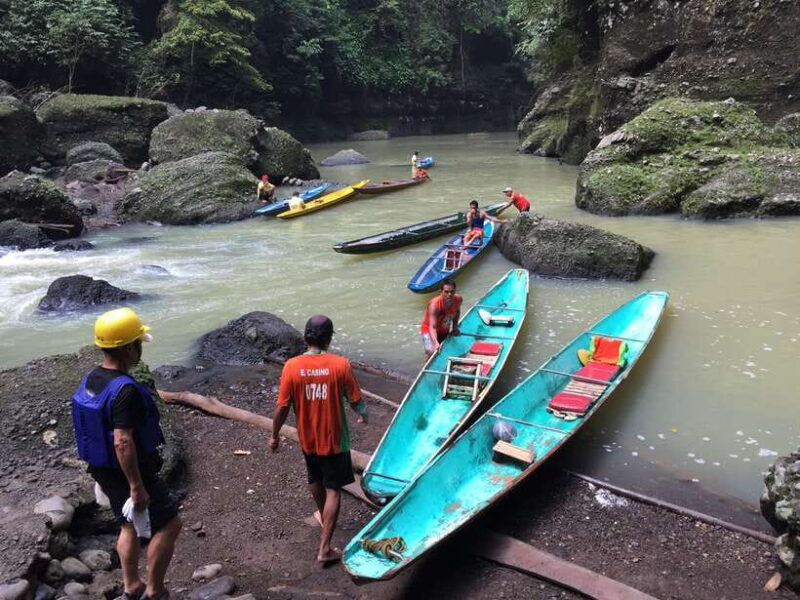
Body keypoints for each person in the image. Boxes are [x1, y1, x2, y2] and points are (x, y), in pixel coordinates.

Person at [71, 308, 180, 600]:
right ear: (130, 347)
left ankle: (131, 586)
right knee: (169, 524)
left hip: (102, 468)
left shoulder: (92, 378)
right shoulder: (125, 391)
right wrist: (137, 487)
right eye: (139, 342)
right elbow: (122, 441)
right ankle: (154, 591)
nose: (141, 348)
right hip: (129, 471)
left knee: (127, 523)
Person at [270, 315, 368, 564]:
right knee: (334, 489)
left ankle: (325, 520)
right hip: (335, 441)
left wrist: (274, 435)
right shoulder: (340, 365)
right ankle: (325, 549)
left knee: (315, 479)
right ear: (329, 339)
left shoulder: (291, 366)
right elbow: (356, 400)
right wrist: (363, 415)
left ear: (305, 338)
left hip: (308, 439)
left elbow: (282, 406)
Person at [420, 279, 462, 357]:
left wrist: (455, 327)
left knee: (445, 349)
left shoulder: (458, 299)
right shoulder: (435, 305)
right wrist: (436, 343)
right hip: (428, 329)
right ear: (441, 291)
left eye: (452, 292)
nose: (449, 294)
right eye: (446, 292)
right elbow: (432, 327)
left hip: (443, 328)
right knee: (431, 351)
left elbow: (457, 312)